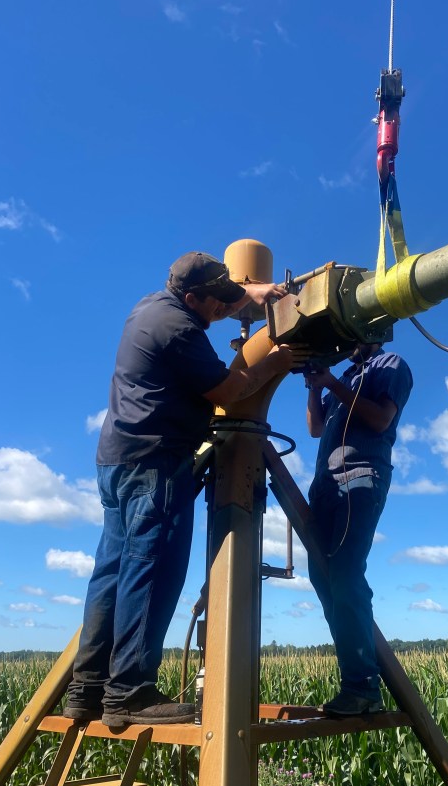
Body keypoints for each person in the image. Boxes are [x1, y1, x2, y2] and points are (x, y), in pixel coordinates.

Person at [64, 251, 308, 729]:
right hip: (156, 462)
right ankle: (129, 693)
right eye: (216, 301)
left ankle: (87, 688)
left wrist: (259, 293)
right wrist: (274, 360)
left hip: (118, 460)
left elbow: (231, 297)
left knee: (112, 572)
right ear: (193, 297)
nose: (224, 309)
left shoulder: (151, 305)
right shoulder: (179, 330)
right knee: (151, 569)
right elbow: (230, 390)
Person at [304, 342, 413, 717]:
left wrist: (331, 384)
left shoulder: (390, 364)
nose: (344, 345)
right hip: (325, 485)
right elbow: (316, 428)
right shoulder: (347, 376)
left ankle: (362, 686)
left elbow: (381, 420)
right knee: (323, 578)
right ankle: (357, 679)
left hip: (359, 478)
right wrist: (315, 386)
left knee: (346, 575)